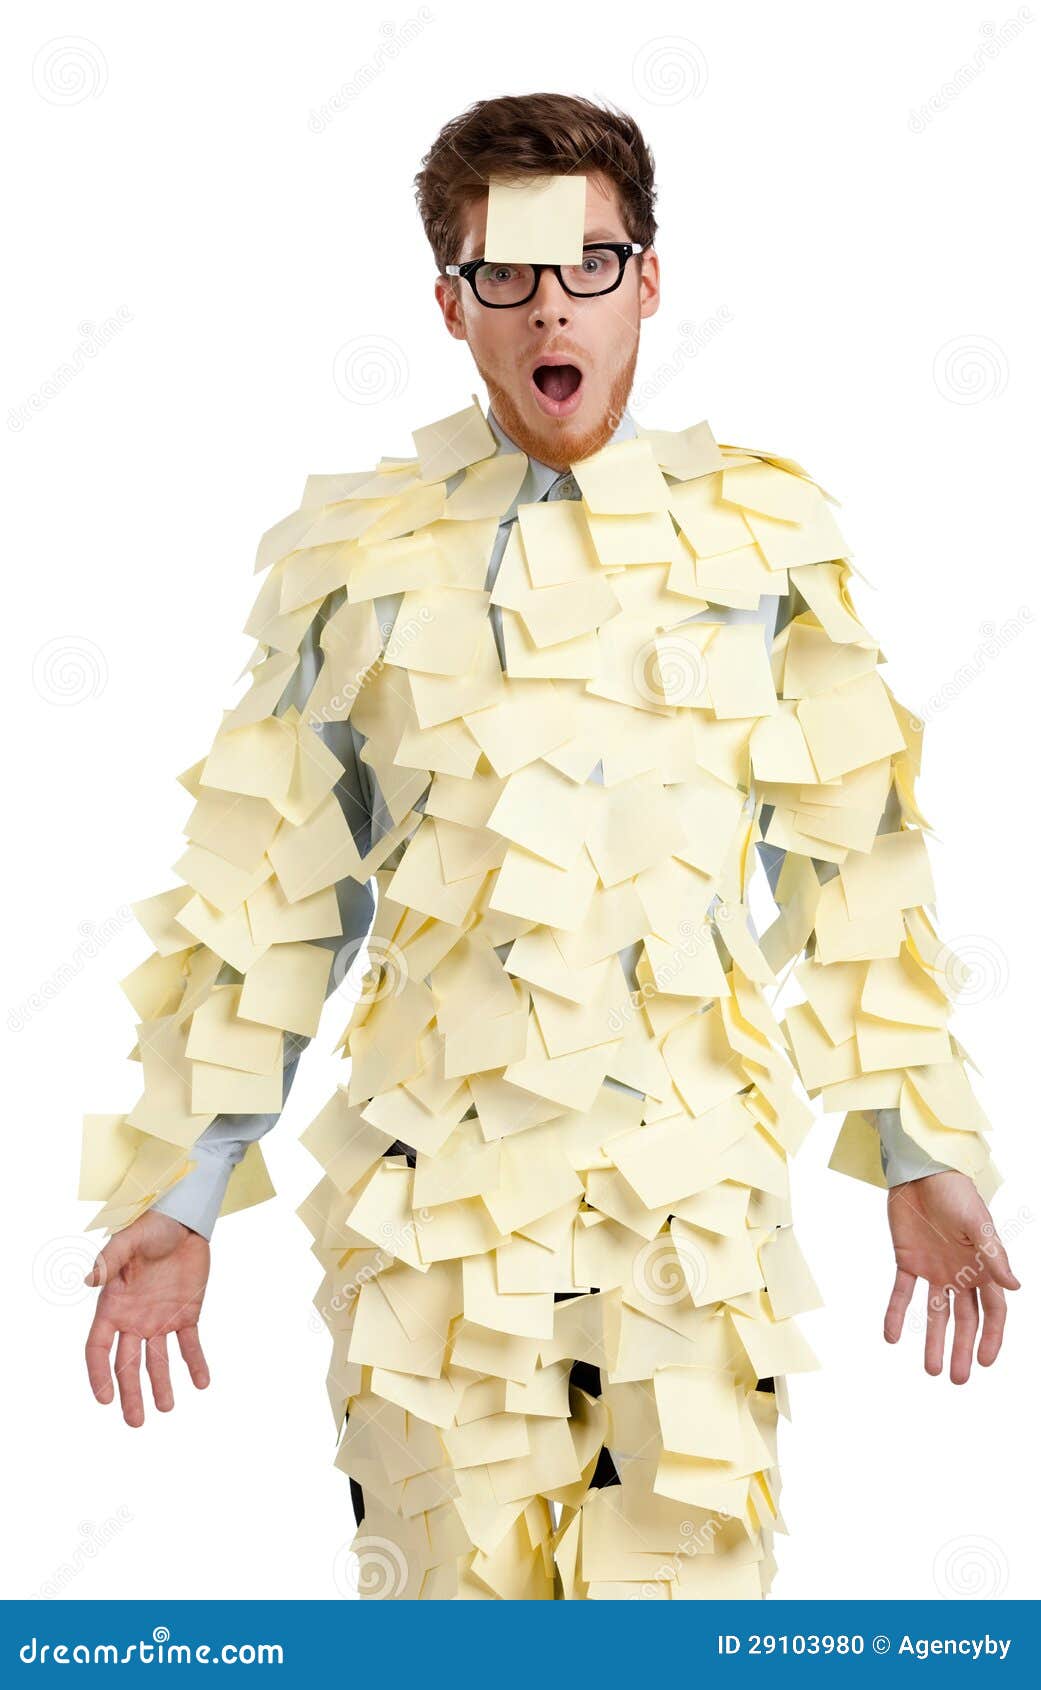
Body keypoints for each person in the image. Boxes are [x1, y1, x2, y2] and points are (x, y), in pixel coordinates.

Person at [80, 93, 1020, 1600]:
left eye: (585, 263)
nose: (547, 308)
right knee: (456, 1629)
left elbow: (852, 867)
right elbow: (267, 887)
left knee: (674, 1619)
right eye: (503, 276)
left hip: (692, 1223)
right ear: (450, 307)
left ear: (646, 278)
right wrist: (181, 1190)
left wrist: (919, 1149)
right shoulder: (360, 560)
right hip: (432, 1224)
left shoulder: (764, 539)